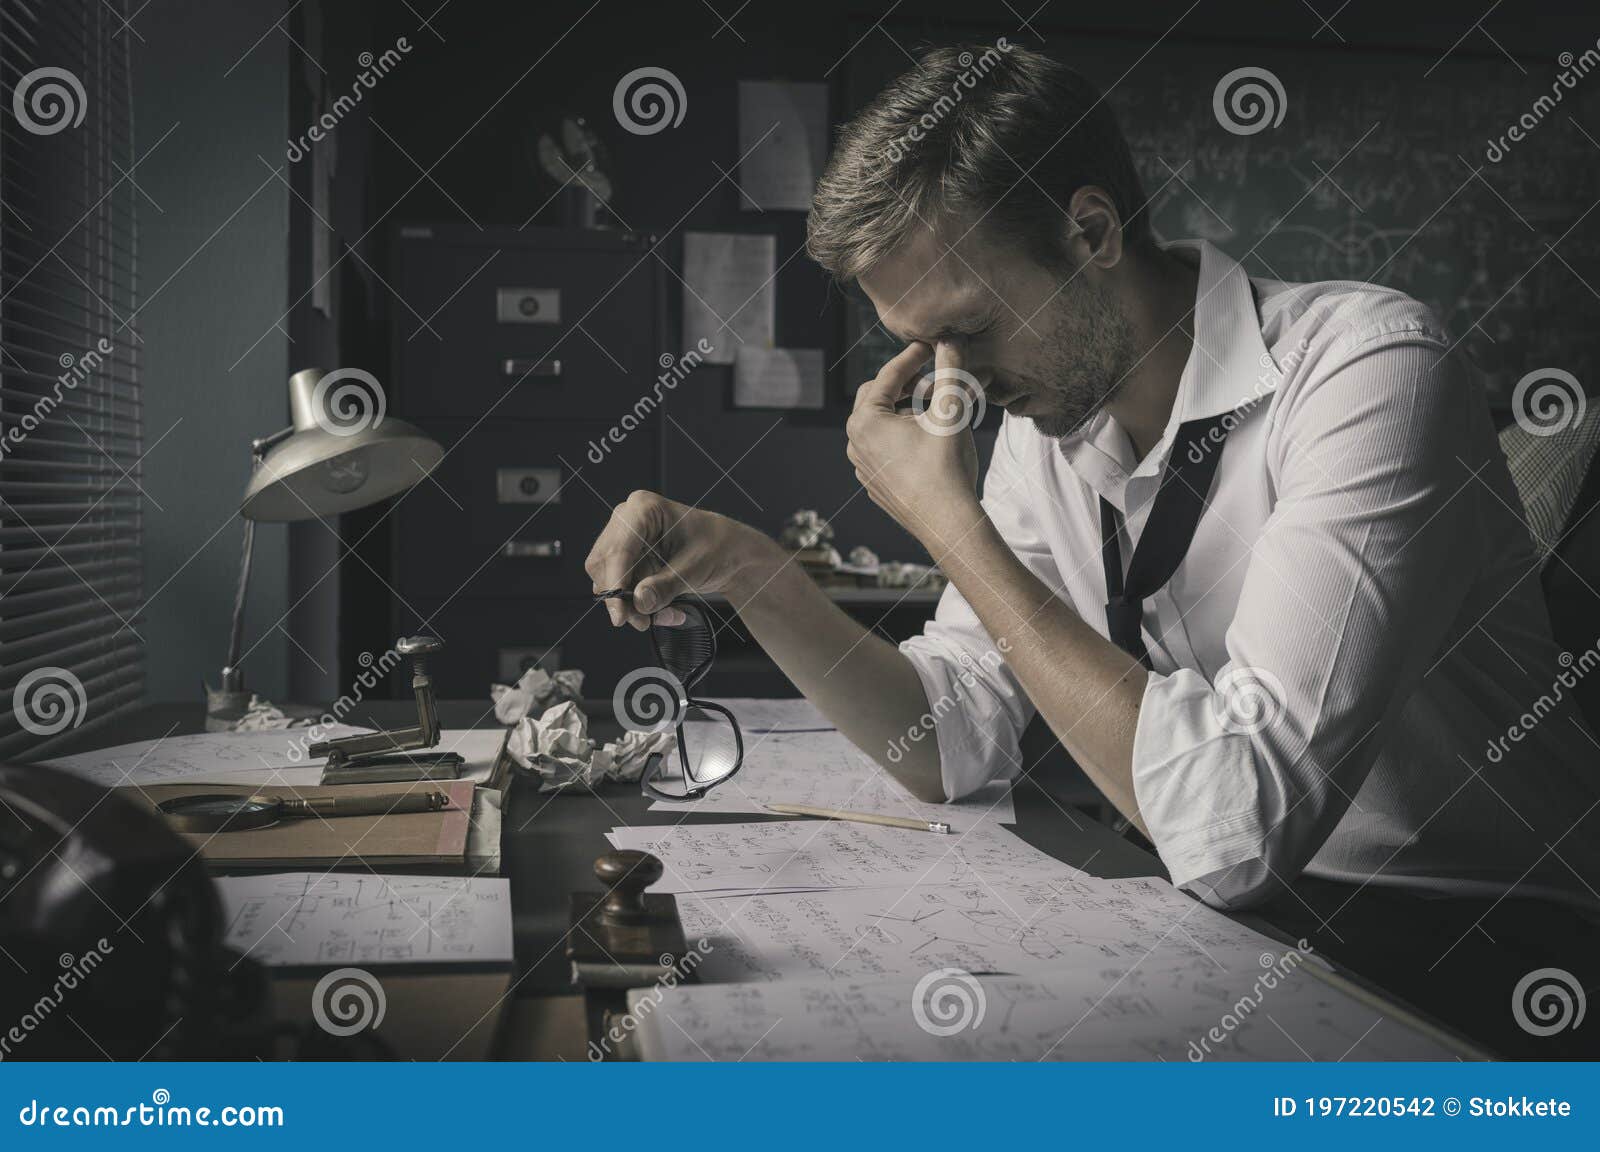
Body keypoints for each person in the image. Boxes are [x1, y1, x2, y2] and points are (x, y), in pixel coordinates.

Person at [585, 45, 1599, 1056]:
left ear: (1090, 231)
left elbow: (1242, 826)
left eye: (969, 330)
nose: (954, 386)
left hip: (1476, 942)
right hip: (1238, 919)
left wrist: (949, 525)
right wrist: (752, 572)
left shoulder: (1364, 371)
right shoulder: (1046, 426)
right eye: (920, 344)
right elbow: (945, 743)